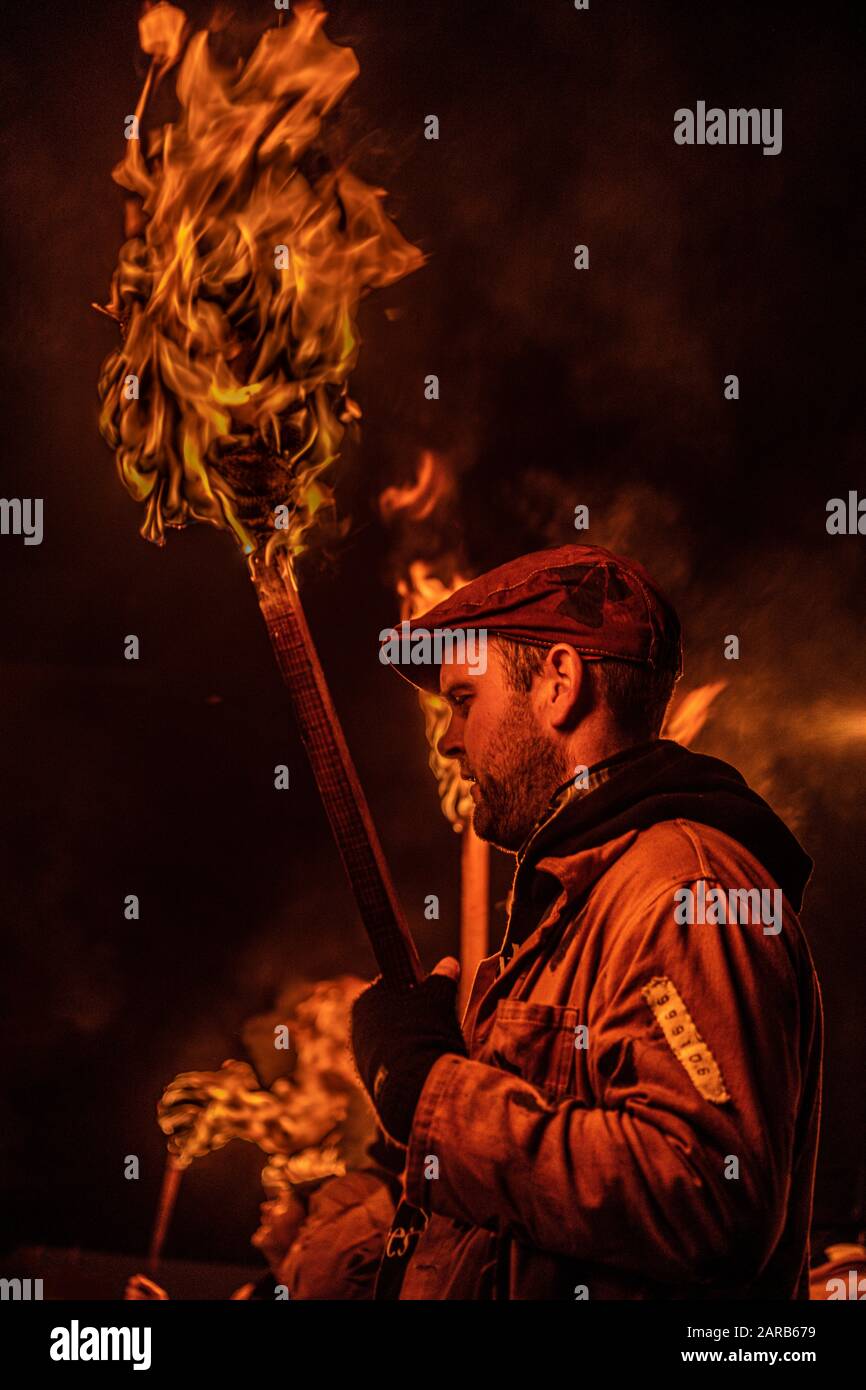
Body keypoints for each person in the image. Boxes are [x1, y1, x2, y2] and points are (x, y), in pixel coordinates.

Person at [351, 543, 823, 1300]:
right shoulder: (583, 906)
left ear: (559, 685)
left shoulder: (682, 891)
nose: (445, 737)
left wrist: (434, 1094)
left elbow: (705, 1196)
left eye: (463, 700)